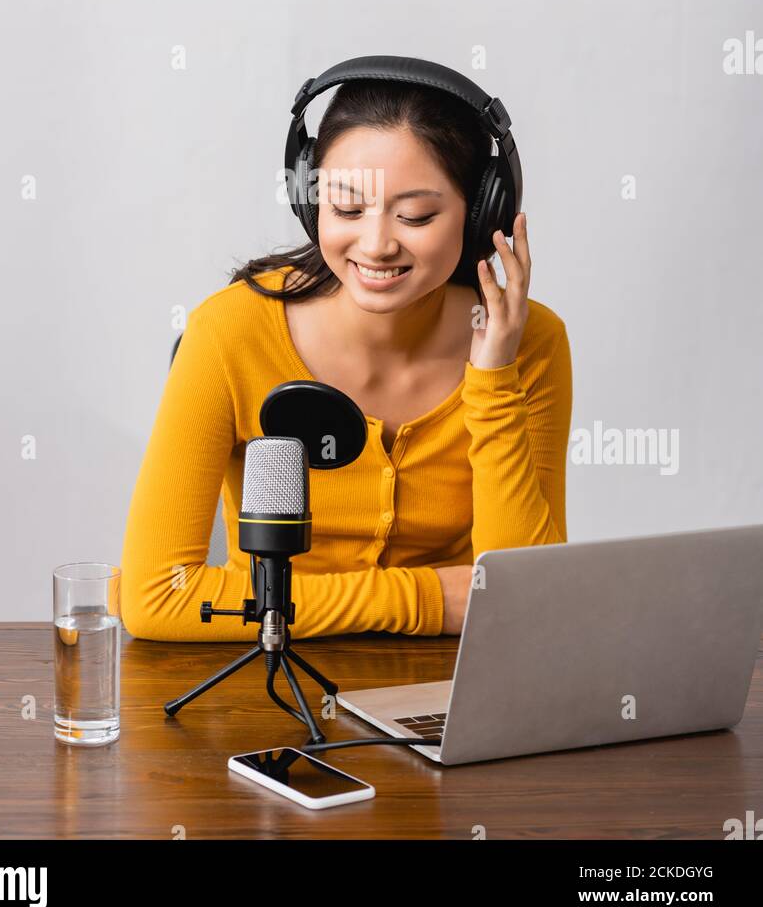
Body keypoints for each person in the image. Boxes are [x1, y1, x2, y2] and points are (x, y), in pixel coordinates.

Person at [120, 76, 572, 642]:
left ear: (481, 215)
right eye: (348, 208)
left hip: (447, 694)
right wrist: (427, 599)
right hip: (265, 683)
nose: (377, 243)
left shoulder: (531, 342)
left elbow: (528, 602)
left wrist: (494, 379)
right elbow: (156, 597)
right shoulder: (228, 333)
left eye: (415, 217)